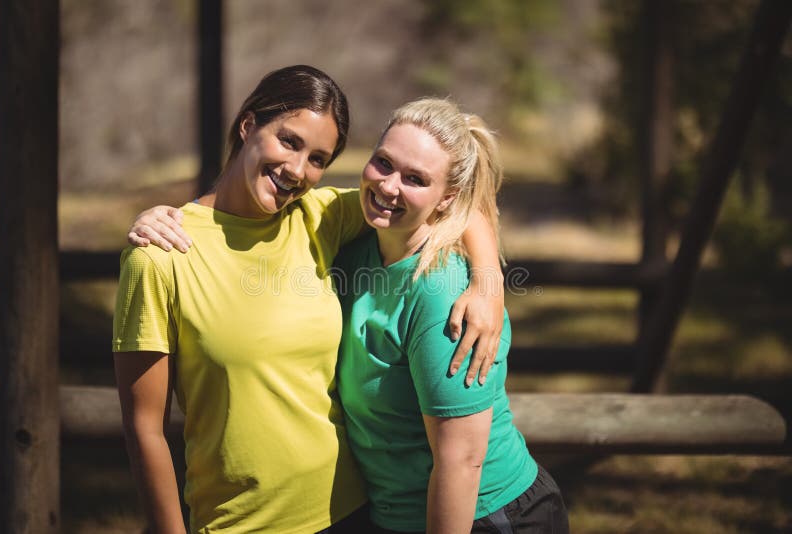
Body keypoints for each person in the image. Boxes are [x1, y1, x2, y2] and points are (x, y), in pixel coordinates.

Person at [115, 65, 505, 534]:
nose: (297, 171)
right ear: (248, 125)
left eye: (318, 159)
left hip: (354, 513)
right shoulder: (161, 255)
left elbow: (452, 201)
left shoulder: (319, 217)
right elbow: (145, 430)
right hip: (237, 523)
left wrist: (488, 284)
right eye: (289, 141)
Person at [331, 98, 570, 533]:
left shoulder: (441, 293)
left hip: (487, 517)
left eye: (415, 179)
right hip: (396, 514)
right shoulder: (357, 244)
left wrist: (485, 278)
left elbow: (461, 461)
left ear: (447, 199)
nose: (388, 186)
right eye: (383, 162)